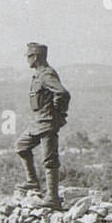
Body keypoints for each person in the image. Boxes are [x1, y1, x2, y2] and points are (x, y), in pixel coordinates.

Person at [15, 42, 71, 209]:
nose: (26, 59)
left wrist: (57, 113)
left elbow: (62, 93)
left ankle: (52, 197)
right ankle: (32, 181)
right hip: (38, 121)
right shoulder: (39, 75)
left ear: (36, 57)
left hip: (47, 123)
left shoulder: (46, 75)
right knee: (21, 146)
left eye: (28, 56)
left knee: (49, 159)